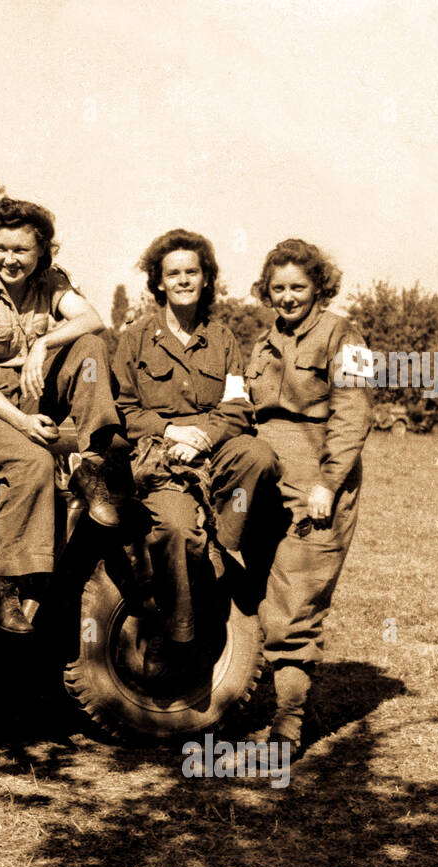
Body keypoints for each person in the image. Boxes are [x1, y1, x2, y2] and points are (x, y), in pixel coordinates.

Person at [0, 197, 126, 633]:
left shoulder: (51, 281)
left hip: (32, 388)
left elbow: (93, 320)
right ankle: (7, 586)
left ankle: (93, 465)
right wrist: (23, 423)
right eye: (0, 247)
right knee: (34, 462)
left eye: (21, 250)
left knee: (90, 350)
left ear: (42, 251)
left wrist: (43, 344)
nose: (9, 259)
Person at [113, 230, 278, 655]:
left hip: (213, 447)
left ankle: (222, 544)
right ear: (159, 282)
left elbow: (239, 405)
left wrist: (203, 436)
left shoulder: (223, 339)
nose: (184, 280)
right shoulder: (134, 339)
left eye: (192, 271)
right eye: (173, 273)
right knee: (176, 529)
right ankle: (180, 632)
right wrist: (170, 432)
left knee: (258, 454)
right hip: (159, 454)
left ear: (206, 279)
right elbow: (123, 410)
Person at [246, 238, 373, 746]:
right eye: (278, 288)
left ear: (319, 285)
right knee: (263, 593)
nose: (288, 297)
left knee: (296, 602)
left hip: (317, 486)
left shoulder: (348, 337)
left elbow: (354, 413)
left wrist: (328, 482)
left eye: (298, 286)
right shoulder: (262, 341)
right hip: (263, 484)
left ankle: (288, 727)